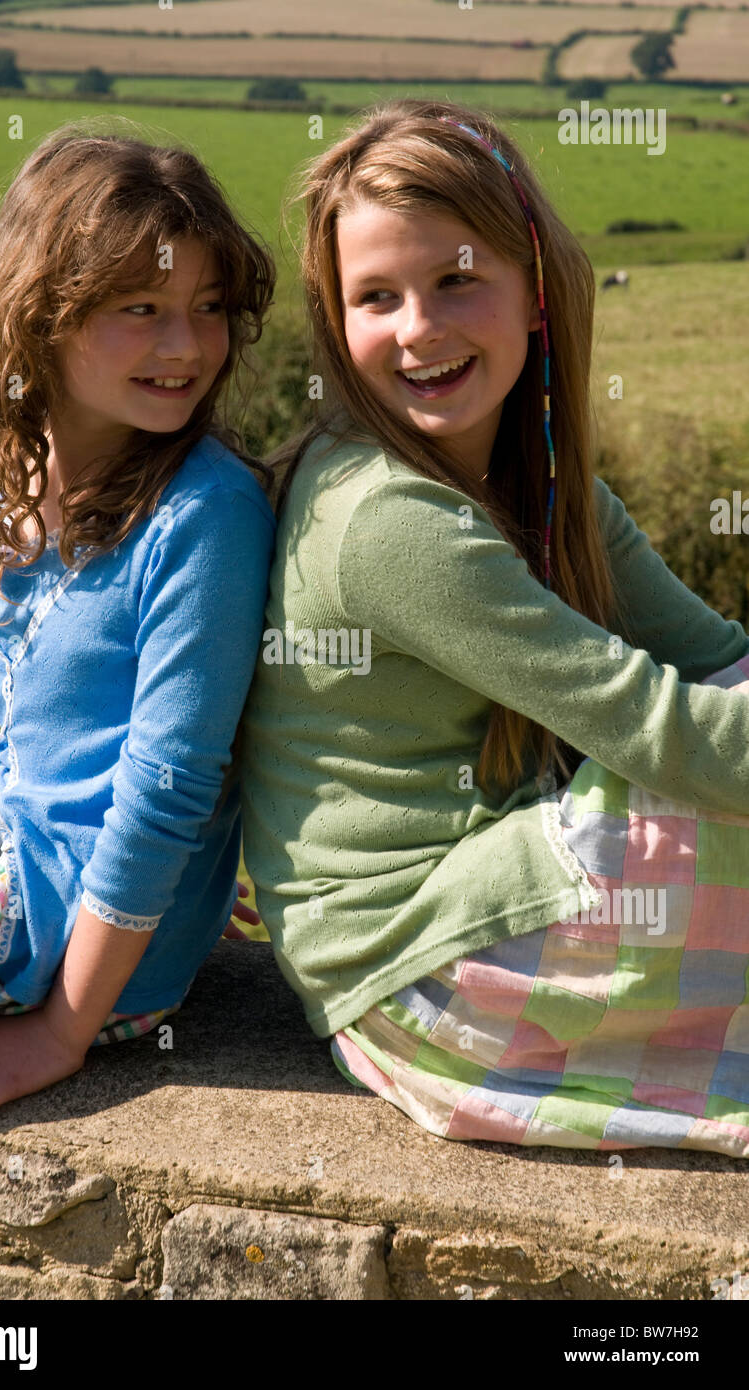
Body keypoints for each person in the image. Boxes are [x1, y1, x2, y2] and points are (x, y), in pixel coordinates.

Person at [241, 100, 749, 1156]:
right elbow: (656, 727)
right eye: (374, 296)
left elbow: (711, 658)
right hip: (423, 981)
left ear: (531, 289)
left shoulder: (547, 480)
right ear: (334, 322)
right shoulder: (387, 518)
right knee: (699, 792)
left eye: (454, 279)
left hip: (500, 913)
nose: (417, 327)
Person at [0, 127, 275, 1132]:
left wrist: (59, 1031)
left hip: (71, 935)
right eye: (140, 309)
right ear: (38, 317)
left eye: (206, 310)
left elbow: (165, 791)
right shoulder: (2, 457)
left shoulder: (206, 516)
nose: (185, 346)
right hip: (15, 828)